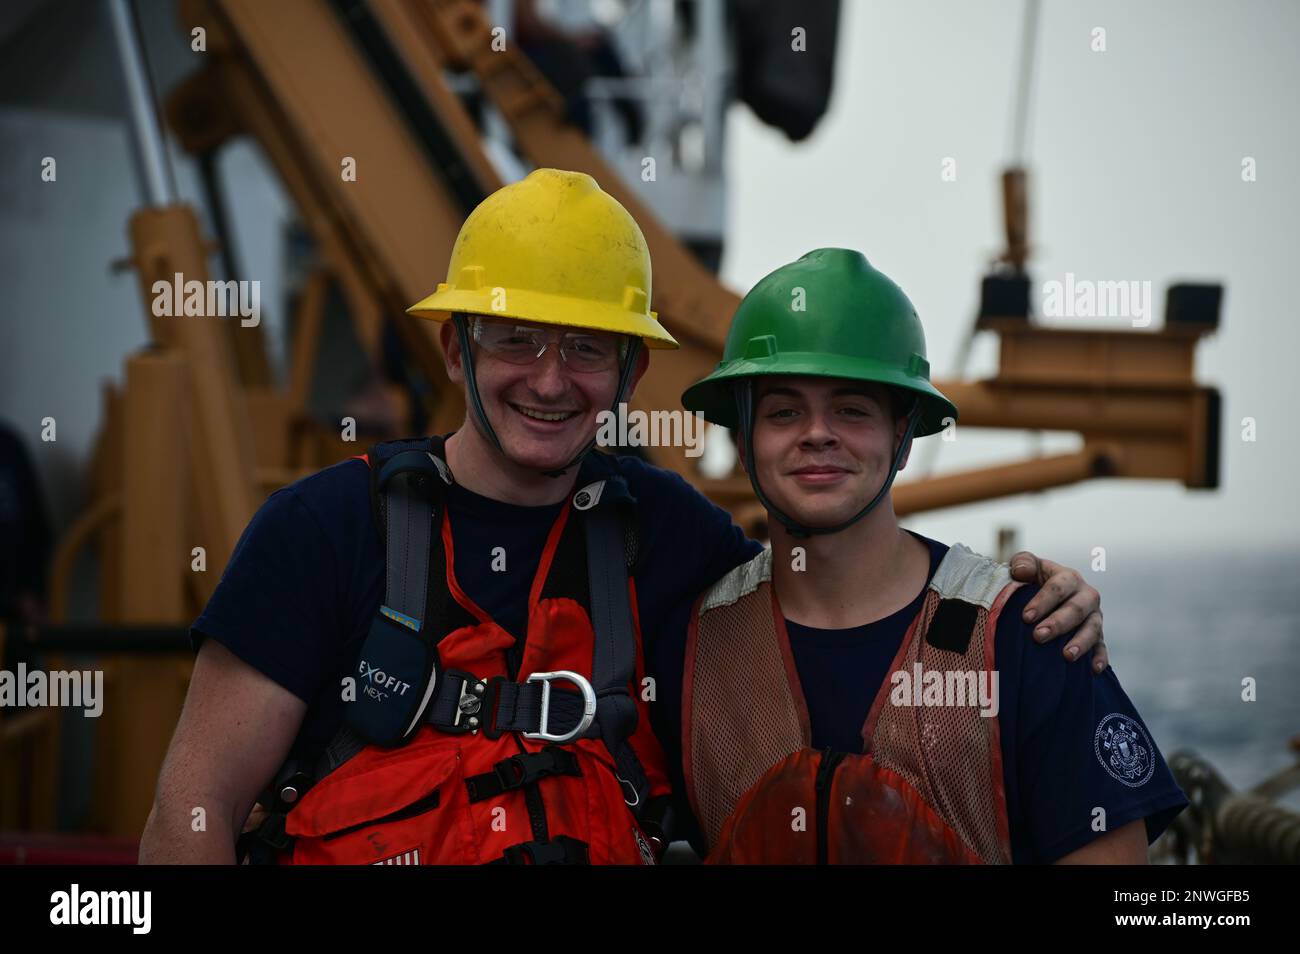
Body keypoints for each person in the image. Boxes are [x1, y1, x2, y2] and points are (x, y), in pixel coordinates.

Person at [139, 171, 1105, 865]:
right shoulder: (323, 529)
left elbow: (848, 599)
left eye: (587, 351)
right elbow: (193, 811)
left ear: (633, 373)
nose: (551, 382)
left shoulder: (668, 536)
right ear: (454, 350)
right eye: (516, 342)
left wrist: (1027, 610)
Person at [668, 248, 1187, 863]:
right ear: (742, 438)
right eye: (784, 411)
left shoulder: (1028, 639)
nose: (817, 433)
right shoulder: (690, 646)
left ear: (904, 436)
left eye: (852, 409)